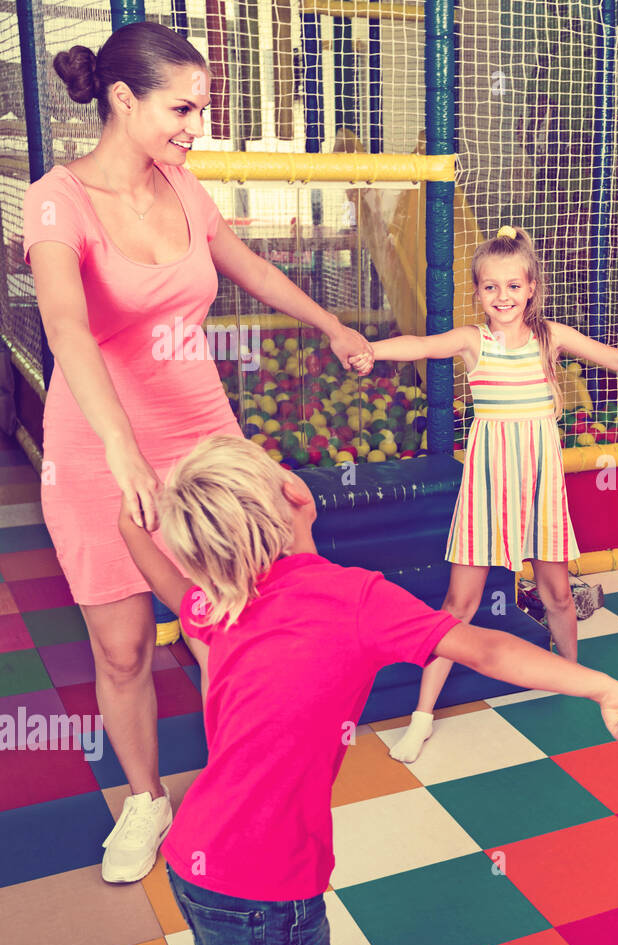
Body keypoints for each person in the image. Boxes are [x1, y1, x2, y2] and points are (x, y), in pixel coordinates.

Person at [22, 21, 373, 883]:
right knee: (123, 647)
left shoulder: (182, 185)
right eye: (182, 108)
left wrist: (330, 323)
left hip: (202, 440)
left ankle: (249, 782)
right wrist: (122, 450)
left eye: (202, 107)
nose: (195, 125)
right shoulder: (56, 198)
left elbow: (247, 266)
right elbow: (66, 326)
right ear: (121, 100)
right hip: (99, 442)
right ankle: (146, 800)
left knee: (239, 625)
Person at [117, 434, 618, 945]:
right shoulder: (354, 598)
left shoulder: (224, 603)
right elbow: (489, 651)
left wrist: (128, 521)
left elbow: (171, 585)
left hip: (193, 860)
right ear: (296, 492)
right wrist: (603, 687)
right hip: (265, 885)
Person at [353, 225, 618, 763]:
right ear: (478, 291)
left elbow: (616, 358)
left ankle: (578, 681)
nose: (502, 298)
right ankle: (421, 717)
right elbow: (422, 345)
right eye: (491, 287)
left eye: (513, 287)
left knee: (559, 596)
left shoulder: (550, 339)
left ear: (532, 288)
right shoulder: (476, 343)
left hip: (539, 491)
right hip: (488, 491)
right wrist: (370, 350)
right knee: (459, 606)